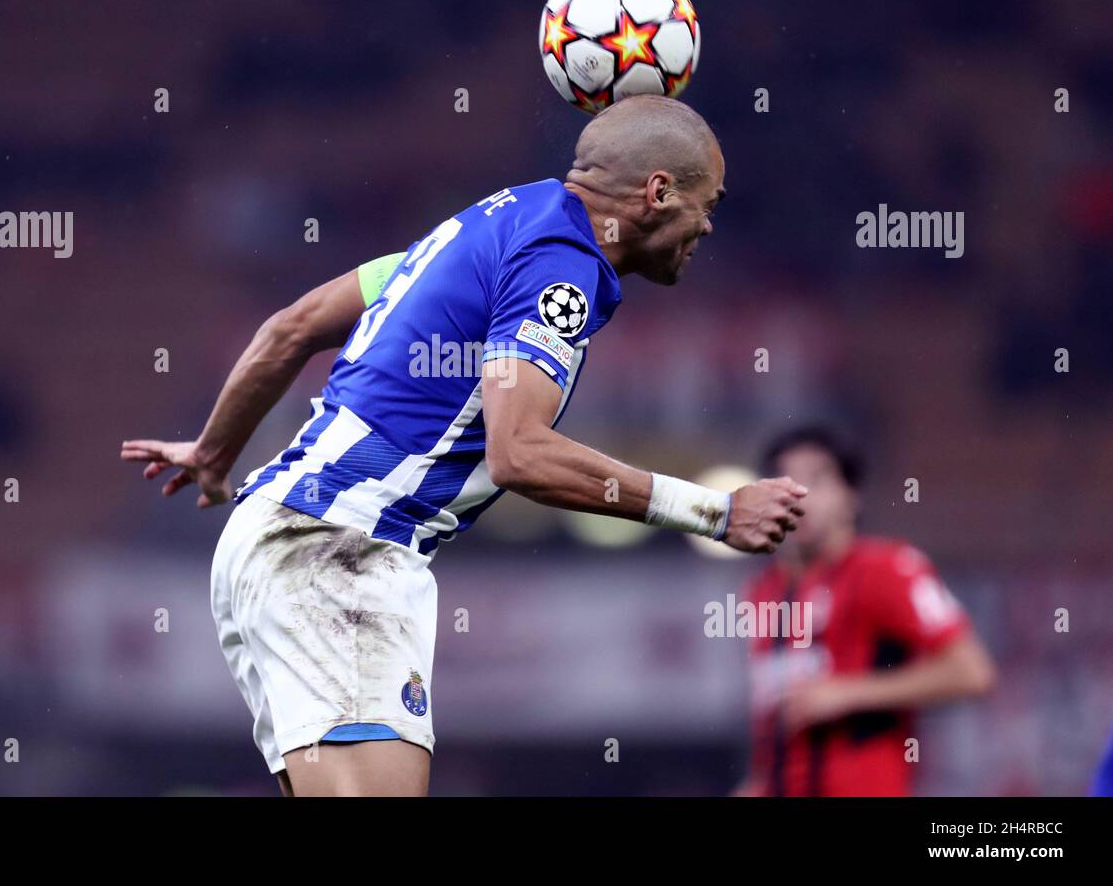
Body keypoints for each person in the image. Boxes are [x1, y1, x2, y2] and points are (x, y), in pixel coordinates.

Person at [122, 95, 807, 796]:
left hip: (280, 537)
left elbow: (290, 328)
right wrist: (714, 513)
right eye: (706, 201)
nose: (709, 223)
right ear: (658, 192)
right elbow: (519, 452)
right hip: (340, 554)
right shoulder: (560, 266)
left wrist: (214, 452)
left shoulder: (478, 228)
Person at [735, 427, 996, 796]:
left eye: (817, 479)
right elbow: (775, 729)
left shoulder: (887, 569)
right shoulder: (762, 591)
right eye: (786, 482)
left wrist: (849, 693)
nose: (800, 496)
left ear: (851, 496)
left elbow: (972, 671)